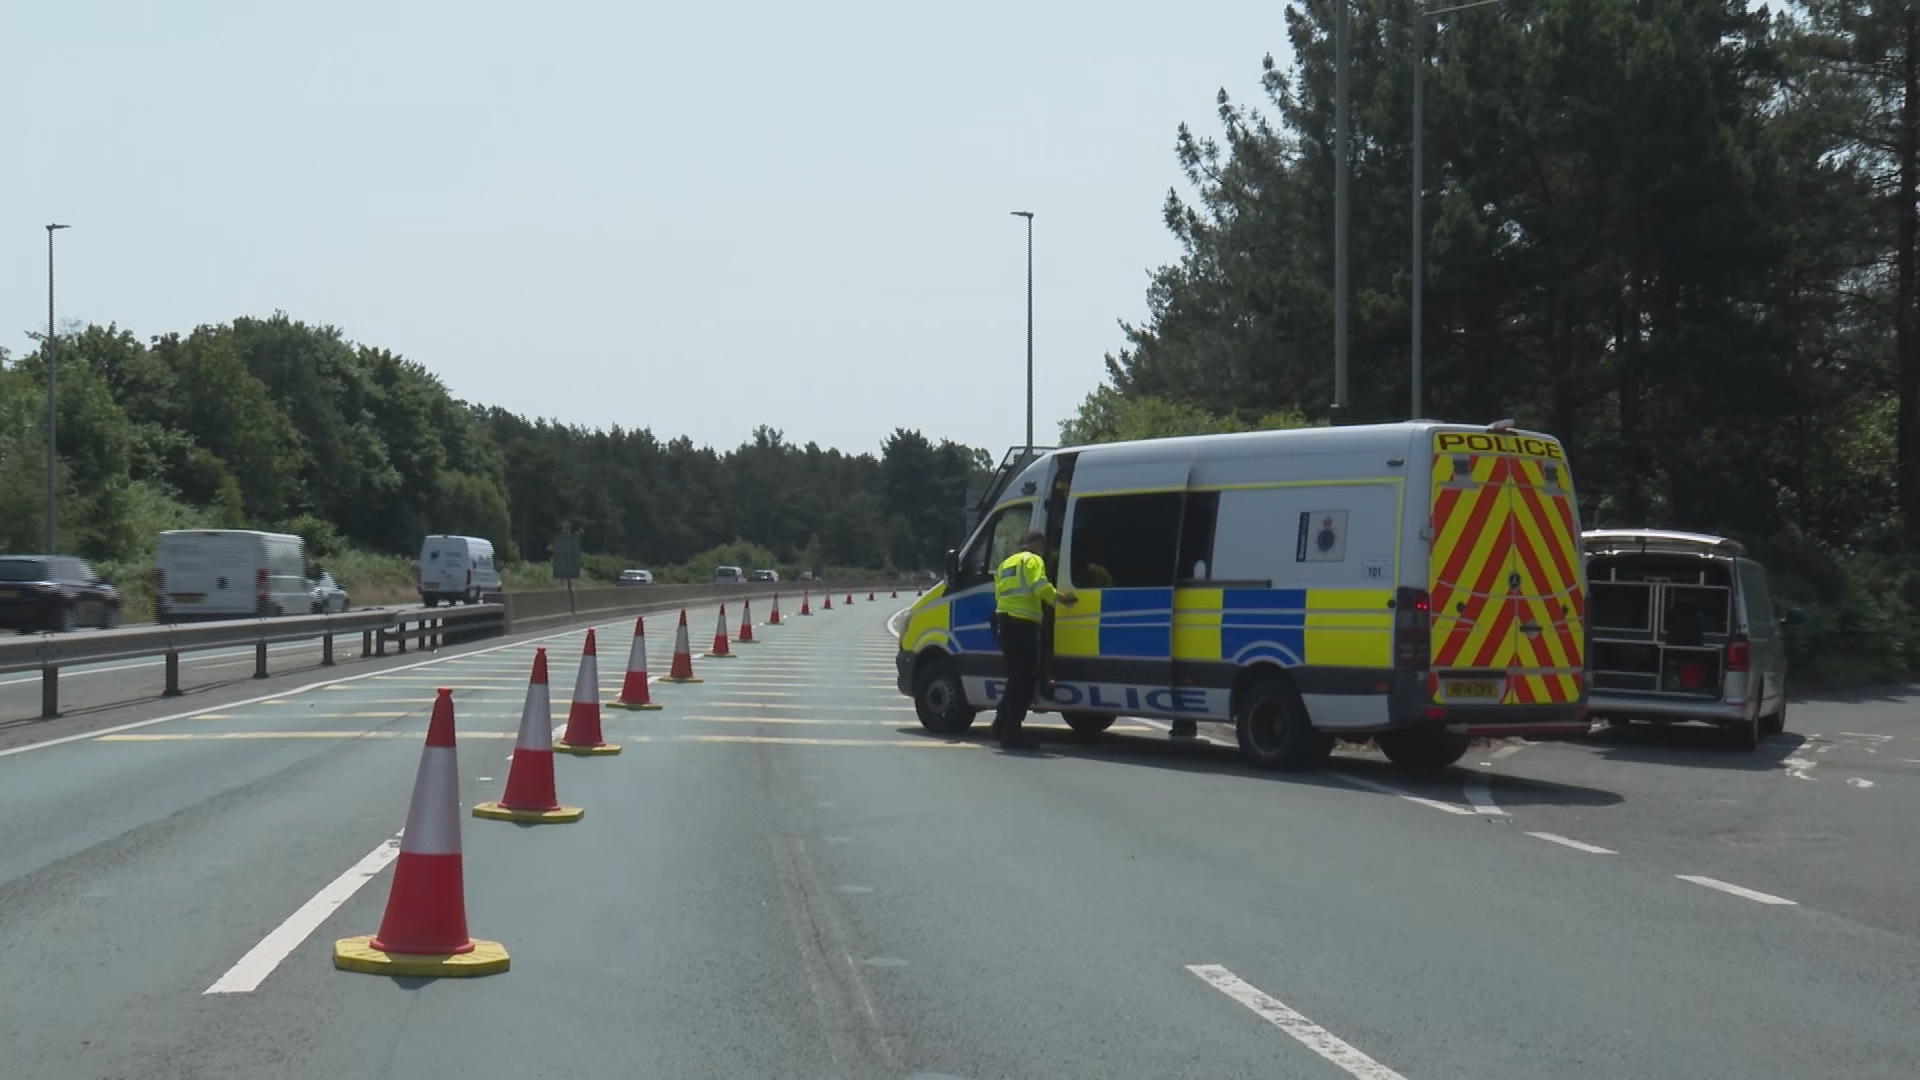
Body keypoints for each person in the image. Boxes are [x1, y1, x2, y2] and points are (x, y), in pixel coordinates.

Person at [993, 529, 1077, 749]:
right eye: (1042, 544)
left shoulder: (1007, 563)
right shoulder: (1032, 561)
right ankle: (1011, 735)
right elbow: (1040, 586)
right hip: (1023, 625)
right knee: (1023, 682)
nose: (1042, 549)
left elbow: (999, 594)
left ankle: (1000, 726)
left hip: (1005, 622)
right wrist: (1060, 600)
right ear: (1036, 543)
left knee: (1014, 679)